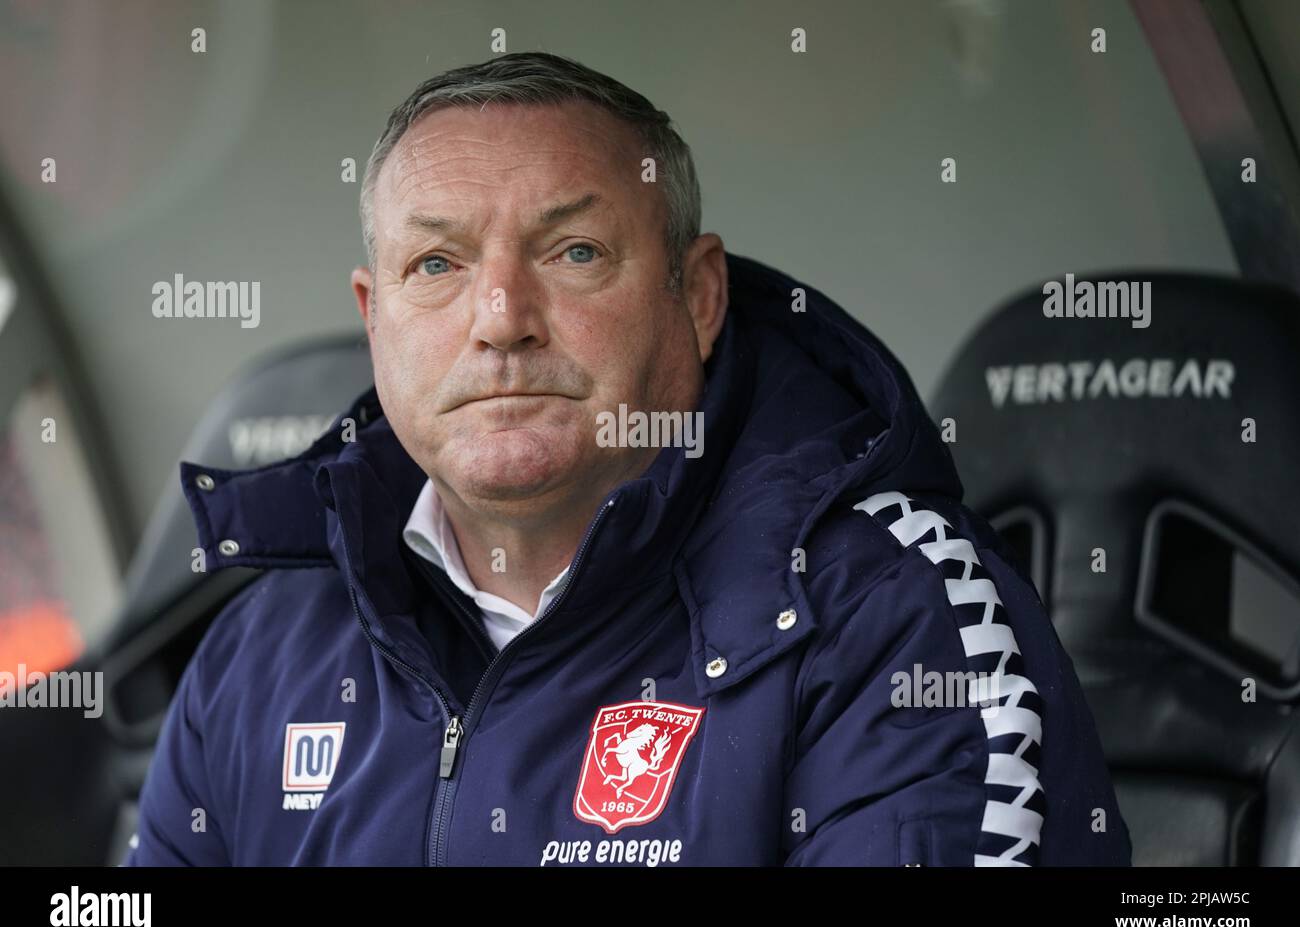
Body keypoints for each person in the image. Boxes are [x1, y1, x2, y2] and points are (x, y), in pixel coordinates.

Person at [125, 51, 1130, 866]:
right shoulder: (259, 651)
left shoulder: (886, 611)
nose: (501, 319)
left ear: (696, 297)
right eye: (437, 263)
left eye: (574, 253)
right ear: (373, 314)